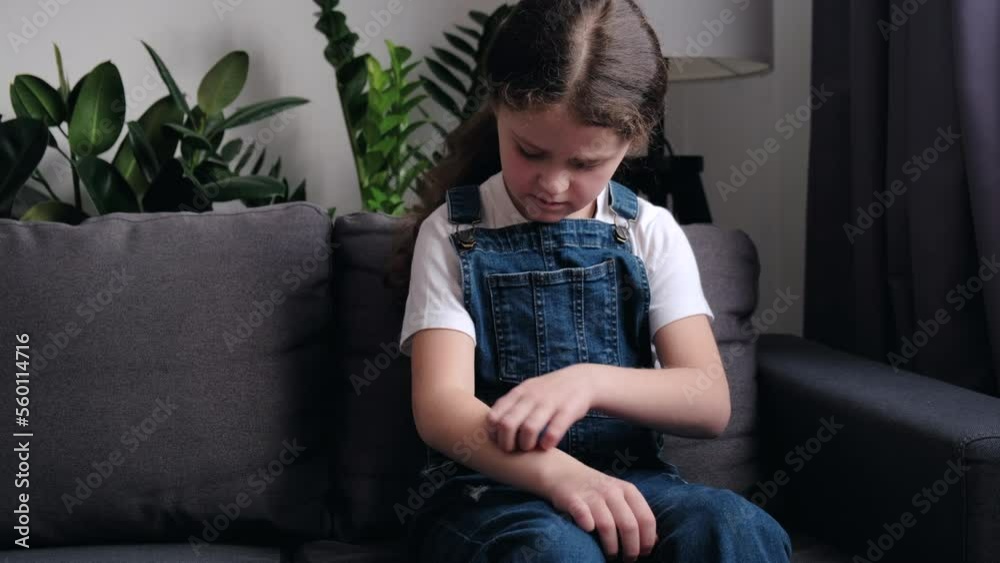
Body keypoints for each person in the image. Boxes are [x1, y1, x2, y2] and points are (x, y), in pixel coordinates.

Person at [391, 1, 793, 561]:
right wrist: (561, 476)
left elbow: (708, 401)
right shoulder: (454, 233)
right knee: (553, 550)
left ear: (632, 142)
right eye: (531, 151)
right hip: (493, 496)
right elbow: (441, 408)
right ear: (499, 108)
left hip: (632, 484)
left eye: (585, 164)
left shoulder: (649, 232)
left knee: (731, 523)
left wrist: (587, 382)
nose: (553, 184)